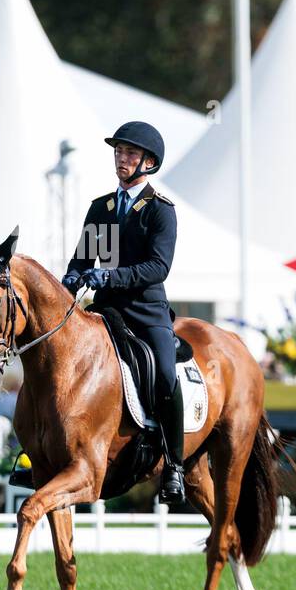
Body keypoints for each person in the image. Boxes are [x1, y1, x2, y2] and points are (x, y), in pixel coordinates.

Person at [62, 120, 185, 504]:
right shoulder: (102, 208)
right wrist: (69, 280)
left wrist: (110, 276)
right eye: (118, 152)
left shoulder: (160, 211)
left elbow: (157, 267)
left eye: (130, 153)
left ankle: (175, 466)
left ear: (148, 162)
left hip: (146, 312)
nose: (122, 158)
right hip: (105, 311)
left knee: (165, 375)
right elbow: (83, 259)